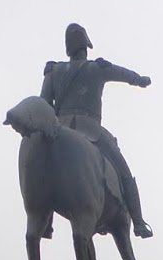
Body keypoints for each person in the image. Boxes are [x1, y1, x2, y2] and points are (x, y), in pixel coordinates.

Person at [41, 22, 154, 239]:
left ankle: (46, 223)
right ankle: (139, 222)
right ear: (85, 47)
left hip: (58, 130)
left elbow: (44, 104)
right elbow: (123, 74)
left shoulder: (54, 71)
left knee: (43, 164)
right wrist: (140, 80)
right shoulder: (96, 68)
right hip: (90, 130)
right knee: (123, 171)